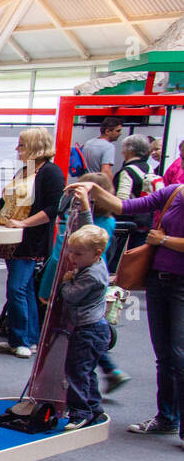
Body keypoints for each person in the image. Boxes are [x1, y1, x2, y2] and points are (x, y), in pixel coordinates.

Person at [78, 178, 184, 440]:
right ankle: (167, 417)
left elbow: (161, 237)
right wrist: (94, 189)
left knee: (179, 356)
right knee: (165, 356)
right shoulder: (176, 192)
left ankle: (175, 421)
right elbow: (125, 206)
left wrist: (165, 240)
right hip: (159, 280)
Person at [39, 173, 129, 392]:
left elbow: (84, 240)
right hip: (78, 284)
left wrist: (55, 286)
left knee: (80, 335)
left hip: (82, 285)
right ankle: (105, 372)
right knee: (80, 335)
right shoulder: (78, 219)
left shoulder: (98, 224)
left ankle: (75, 386)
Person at [0, 128, 62, 358]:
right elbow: (7, 201)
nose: (17, 149)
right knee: (25, 289)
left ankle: (22, 338)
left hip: (31, 239)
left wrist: (24, 224)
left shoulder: (51, 173)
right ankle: (27, 337)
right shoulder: (25, 171)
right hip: (13, 237)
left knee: (17, 289)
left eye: (22, 145)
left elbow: (53, 208)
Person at [57, 221, 113, 430]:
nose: (73, 258)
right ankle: (94, 408)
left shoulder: (91, 275)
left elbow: (71, 296)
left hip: (88, 330)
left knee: (77, 371)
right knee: (86, 371)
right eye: (72, 252)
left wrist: (66, 281)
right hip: (93, 329)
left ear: (97, 253)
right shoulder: (95, 264)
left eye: (78, 254)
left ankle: (80, 413)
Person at [114, 134, 160, 251]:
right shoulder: (150, 168)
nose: (122, 152)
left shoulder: (127, 171)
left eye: (123, 149)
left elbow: (122, 199)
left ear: (129, 150)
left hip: (129, 222)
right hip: (147, 218)